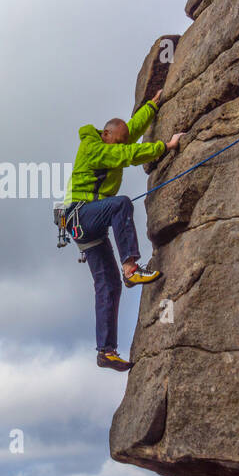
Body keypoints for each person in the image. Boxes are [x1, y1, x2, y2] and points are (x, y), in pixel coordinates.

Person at [63, 88, 184, 371]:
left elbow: (129, 134)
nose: (121, 144)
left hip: (88, 228)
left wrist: (153, 106)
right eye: (118, 141)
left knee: (109, 285)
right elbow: (127, 154)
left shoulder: (113, 139)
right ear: (106, 135)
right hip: (80, 216)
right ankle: (131, 266)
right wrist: (164, 147)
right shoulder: (93, 147)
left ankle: (106, 352)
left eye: (122, 141)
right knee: (120, 205)